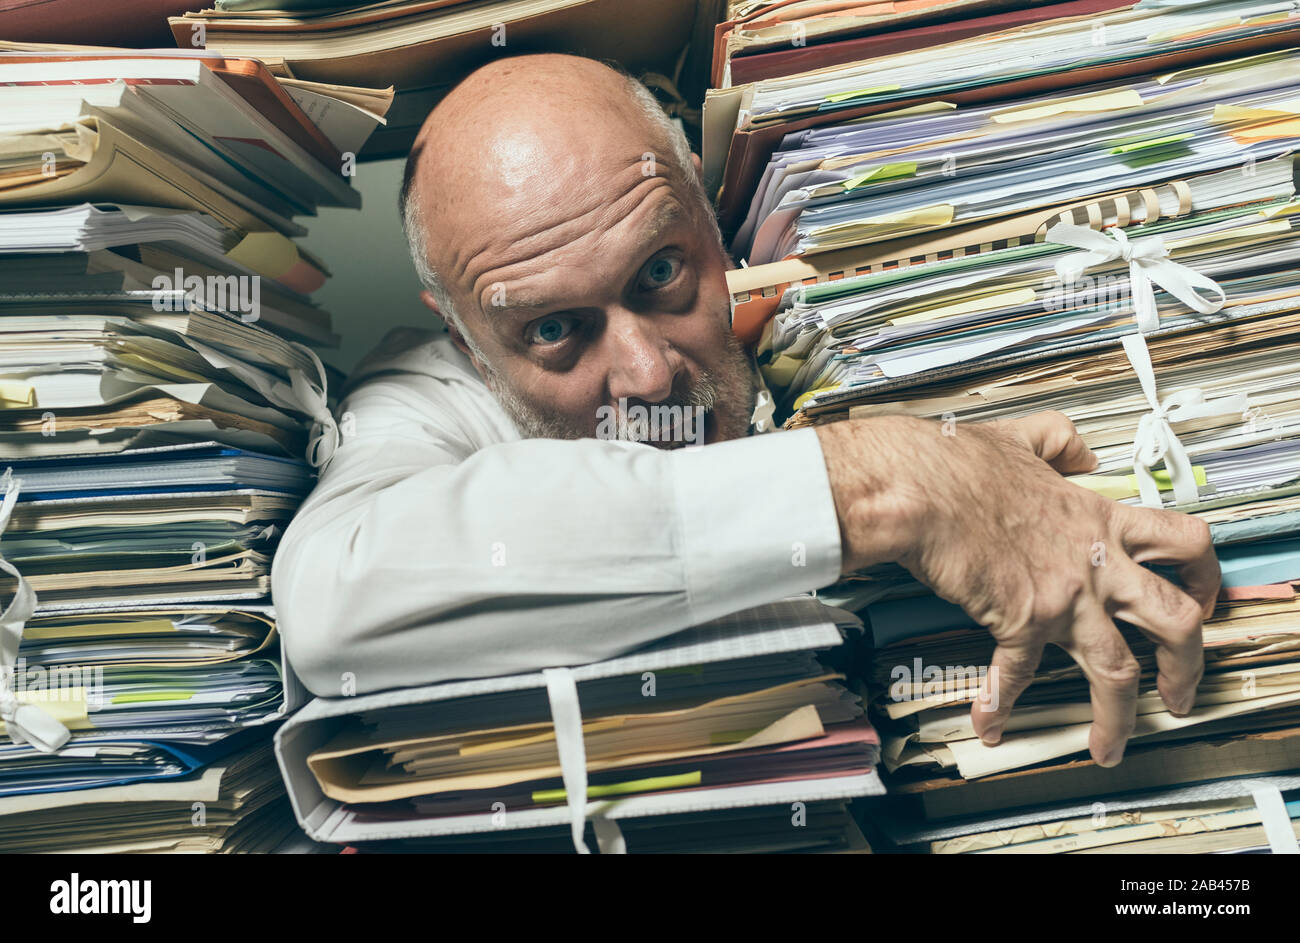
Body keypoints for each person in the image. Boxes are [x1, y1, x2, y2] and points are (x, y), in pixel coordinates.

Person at [271, 53, 1219, 769]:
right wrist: (885, 481)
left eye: (660, 272)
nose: (645, 374)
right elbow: (332, 600)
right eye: (557, 330)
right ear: (469, 341)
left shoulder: (840, 309)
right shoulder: (428, 396)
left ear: (704, 203)